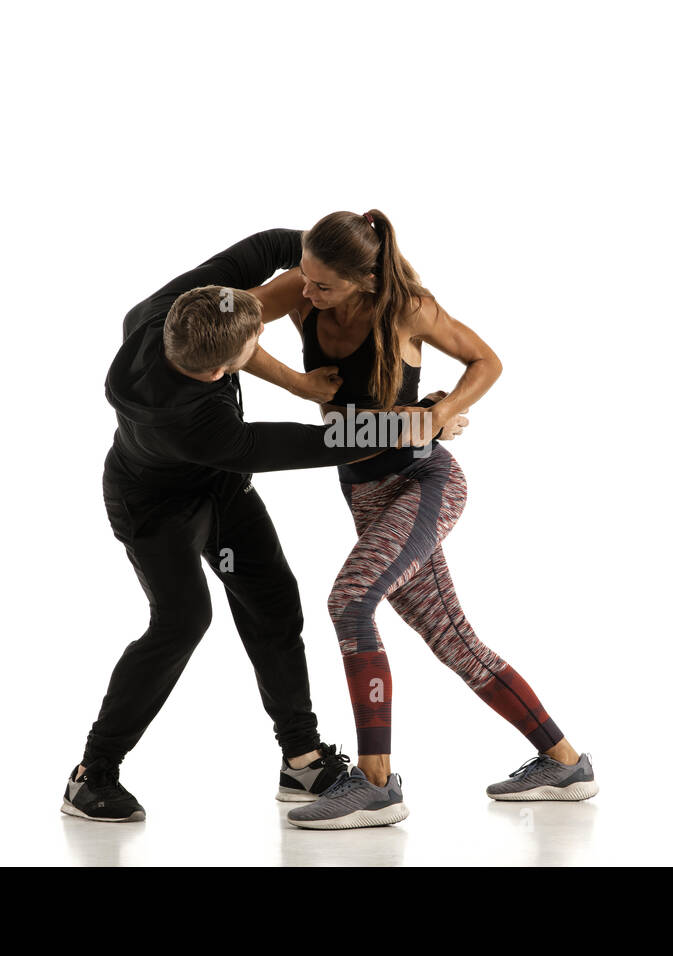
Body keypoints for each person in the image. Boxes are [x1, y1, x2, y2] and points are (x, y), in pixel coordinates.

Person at [61, 228, 463, 822]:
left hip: (221, 491)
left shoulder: (170, 311)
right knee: (183, 620)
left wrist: (341, 254)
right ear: (225, 367)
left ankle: (301, 759)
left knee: (273, 602)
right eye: (257, 342)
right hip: (155, 507)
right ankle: (92, 773)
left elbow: (266, 247)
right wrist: (413, 424)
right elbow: (318, 441)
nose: (283, 319)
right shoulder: (200, 427)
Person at [240, 211, 599, 830]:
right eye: (304, 276)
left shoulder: (408, 308)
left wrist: (442, 413)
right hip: (365, 494)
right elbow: (234, 322)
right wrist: (299, 383)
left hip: (425, 482)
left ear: (364, 279)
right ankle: (565, 763)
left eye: (324, 285)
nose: (307, 292)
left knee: (350, 601)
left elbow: (486, 361)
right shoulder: (303, 294)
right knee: (453, 641)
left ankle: (376, 785)